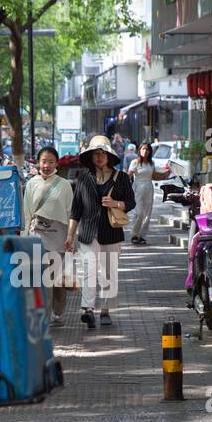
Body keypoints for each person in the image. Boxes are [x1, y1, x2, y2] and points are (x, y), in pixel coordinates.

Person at [64, 134, 135, 329]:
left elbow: (131, 202)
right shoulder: (83, 178)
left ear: (109, 155)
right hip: (88, 233)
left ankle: (105, 310)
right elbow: (76, 210)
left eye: (102, 153)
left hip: (111, 232)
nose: (99, 156)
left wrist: (116, 204)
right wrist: (70, 235)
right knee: (89, 271)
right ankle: (88, 309)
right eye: (95, 153)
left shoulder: (121, 178)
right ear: (91, 156)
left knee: (109, 273)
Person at [23, 146, 74, 328]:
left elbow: (71, 213)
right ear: (38, 162)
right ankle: (43, 316)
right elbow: (27, 212)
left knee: (57, 278)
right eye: (44, 161)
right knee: (43, 279)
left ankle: (58, 311)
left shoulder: (64, 185)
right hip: (37, 235)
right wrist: (24, 236)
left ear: (56, 164)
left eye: (51, 162)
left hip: (58, 237)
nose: (46, 165)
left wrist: (71, 236)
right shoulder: (31, 184)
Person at [128, 142, 155, 246]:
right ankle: (134, 235)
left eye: (147, 149)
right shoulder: (135, 162)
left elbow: (154, 176)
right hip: (138, 188)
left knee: (147, 214)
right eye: (143, 149)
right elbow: (128, 175)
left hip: (149, 188)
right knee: (139, 213)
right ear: (139, 150)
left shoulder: (151, 163)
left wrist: (167, 173)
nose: (145, 151)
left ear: (150, 151)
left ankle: (142, 236)